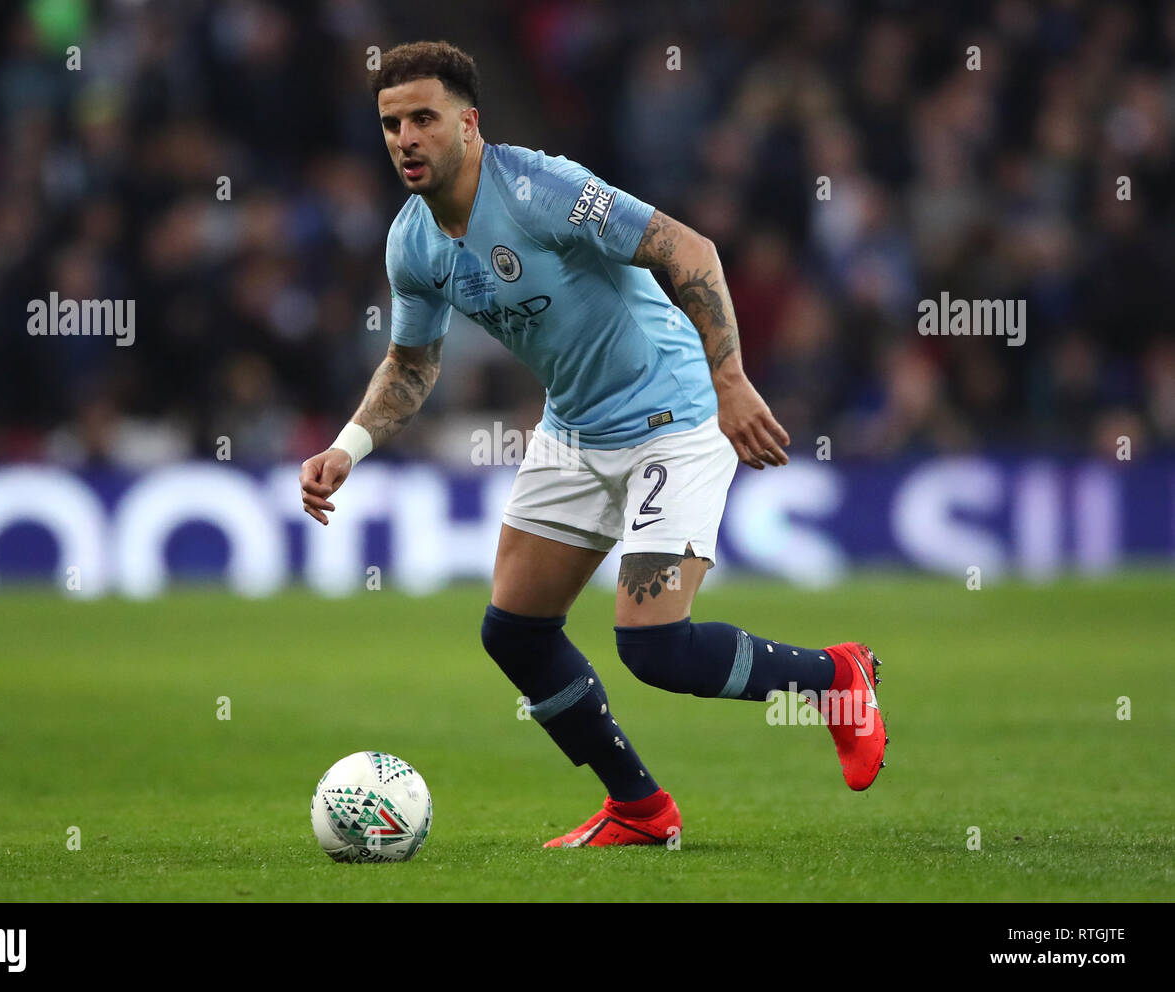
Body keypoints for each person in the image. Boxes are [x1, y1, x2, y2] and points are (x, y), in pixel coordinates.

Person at [300, 41, 886, 848]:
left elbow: (690, 250)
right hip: (574, 432)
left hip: (674, 420)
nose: (406, 137)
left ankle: (836, 681)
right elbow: (410, 364)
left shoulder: (543, 189)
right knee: (513, 631)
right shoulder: (413, 243)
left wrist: (731, 381)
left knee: (655, 648)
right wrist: (348, 447)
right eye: (392, 123)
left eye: (424, 119)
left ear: (469, 124)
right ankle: (640, 811)